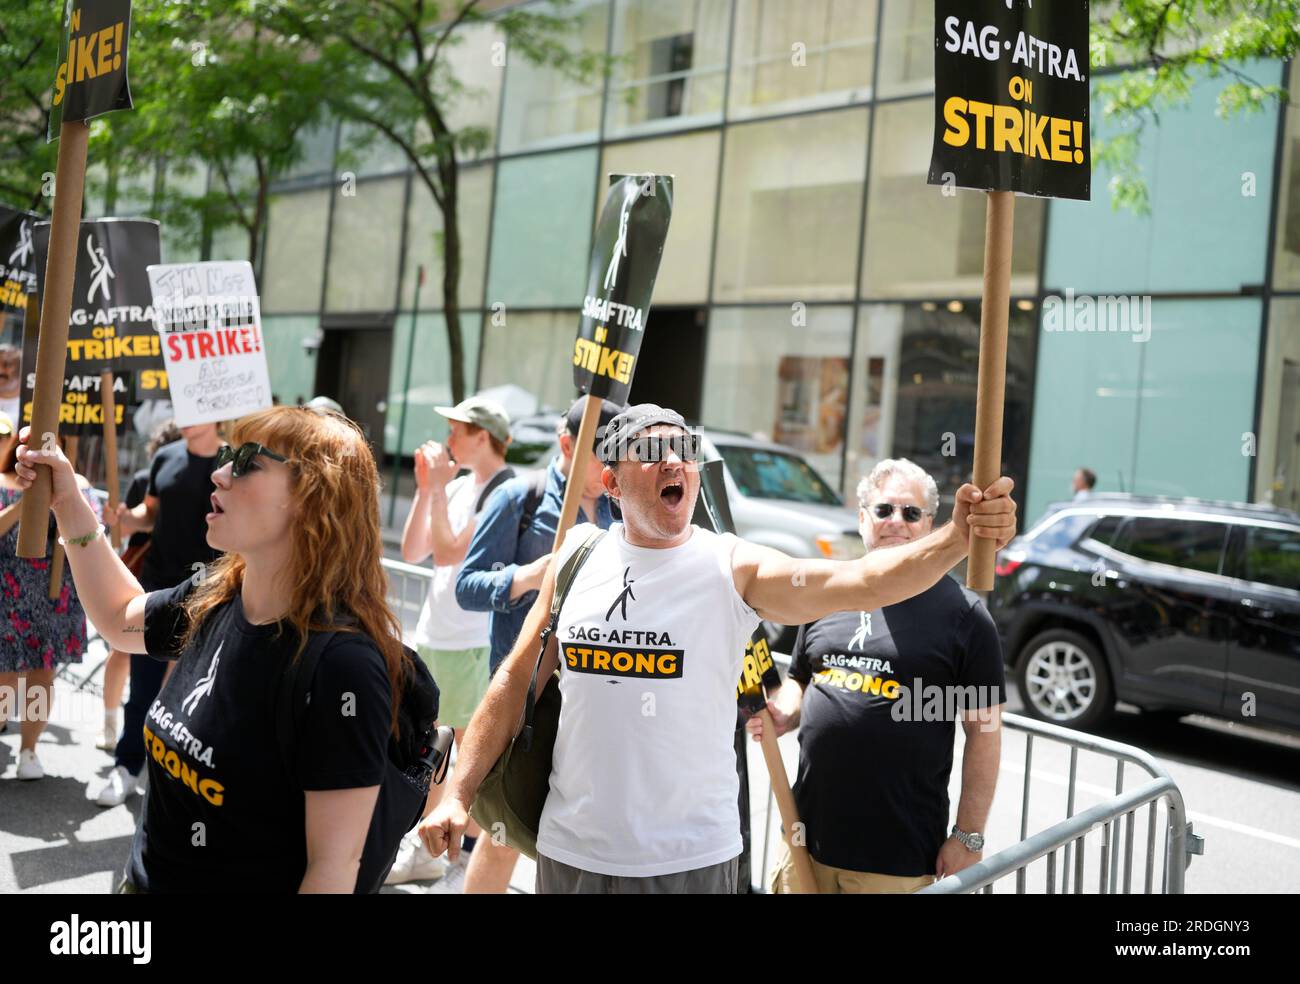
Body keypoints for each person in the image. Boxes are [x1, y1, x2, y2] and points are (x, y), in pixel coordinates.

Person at [422, 404, 1018, 894]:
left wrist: (955, 541)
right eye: (652, 453)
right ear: (610, 481)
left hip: (690, 863)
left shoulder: (732, 567)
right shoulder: (577, 557)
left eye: (684, 451)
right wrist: (458, 793)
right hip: (571, 853)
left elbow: (862, 583)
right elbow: (512, 683)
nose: (673, 462)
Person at [15, 406, 406, 893]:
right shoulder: (216, 599)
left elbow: (331, 871)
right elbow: (120, 618)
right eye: (226, 455)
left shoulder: (343, 668)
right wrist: (67, 499)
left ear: (311, 498)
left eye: (247, 461)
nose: (219, 473)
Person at [748, 458, 1005, 894]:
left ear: (930, 524)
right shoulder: (828, 591)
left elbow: (985, 732)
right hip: (803, 843)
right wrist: (783, 711)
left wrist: (968, 836)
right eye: (884, 510)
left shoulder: (965, 617)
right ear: (863, 518)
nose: (896, 523)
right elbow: (802, 678)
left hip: (894, 861)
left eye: (911, 513)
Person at [441, 395, 620, 893]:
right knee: (504, 828)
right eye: (603, 451)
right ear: (569, 444)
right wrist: (527, 578)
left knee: (568, 831)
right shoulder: (520, 497)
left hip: (587, 698)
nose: (613, 464)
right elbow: (467, 585)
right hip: (523, 698)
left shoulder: (617, 509)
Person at [386, 396, 513, 886]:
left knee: (473, 759)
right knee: (434, 752)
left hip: (472, 643)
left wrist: (436, 489)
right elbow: (415, 548)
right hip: (437, 635)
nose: (448, 441)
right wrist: (427, 490)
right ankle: (430, 846)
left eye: (457, 430)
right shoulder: (457, 486)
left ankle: (463, 860)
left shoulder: (503, 491)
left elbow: (448, 554)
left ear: (483, 436)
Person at [94, 422, 223, 807]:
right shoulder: (166, 456)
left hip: (212, 593)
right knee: (144, 685)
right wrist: (126, 518)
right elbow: (150, 514)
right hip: (159, 588)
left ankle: (182, 781)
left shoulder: (233, 461)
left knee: (198, 695)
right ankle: (128, 765)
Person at [0, 413, 101, 780]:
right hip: (9, 593)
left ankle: (29, 750)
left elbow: (94, 535)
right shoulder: (4, 483)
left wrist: (63, 496)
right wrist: (22, 505)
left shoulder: (77, 485)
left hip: (53, 593)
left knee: (42, 674)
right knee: (6, 675)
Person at [98, 420, 182, 753]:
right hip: (144, 574)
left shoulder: (205, 480)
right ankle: (109, 721)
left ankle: (155, 727)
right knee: (123, 648)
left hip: (177, 575)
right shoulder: (145, 480)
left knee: (172, 659)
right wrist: (123, 518)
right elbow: (128, 529)